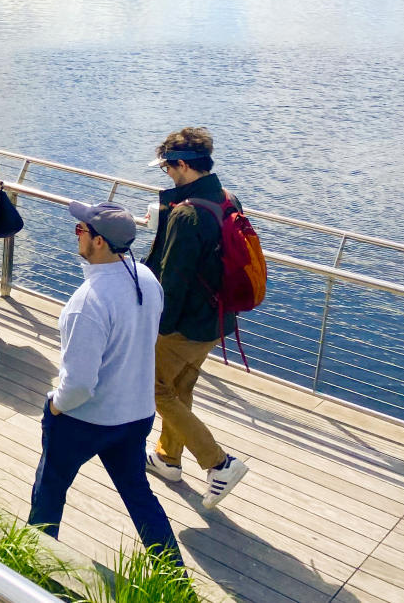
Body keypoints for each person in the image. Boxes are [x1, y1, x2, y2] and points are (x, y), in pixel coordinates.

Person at [28, 201, 182, 564]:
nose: (76, 234)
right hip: (135, 414)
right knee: (139, 496)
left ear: (99, 242)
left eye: (80, 230)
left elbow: (79, 384)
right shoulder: (146, 278)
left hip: (86, 420)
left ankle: (32, 565)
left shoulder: (87, 303)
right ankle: (175, 578)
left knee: (49, 490)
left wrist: (54, 405)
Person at [144, 127, 249, 509]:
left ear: (184, 165)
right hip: (217, 321)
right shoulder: (227, 199)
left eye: (169, 168)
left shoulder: (187, 215)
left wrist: (156, 327)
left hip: (184, 326)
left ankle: (218, 462)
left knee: (155, 389)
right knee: (180, 387)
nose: (167, 174)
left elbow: (172, 282)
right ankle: (168, 459)